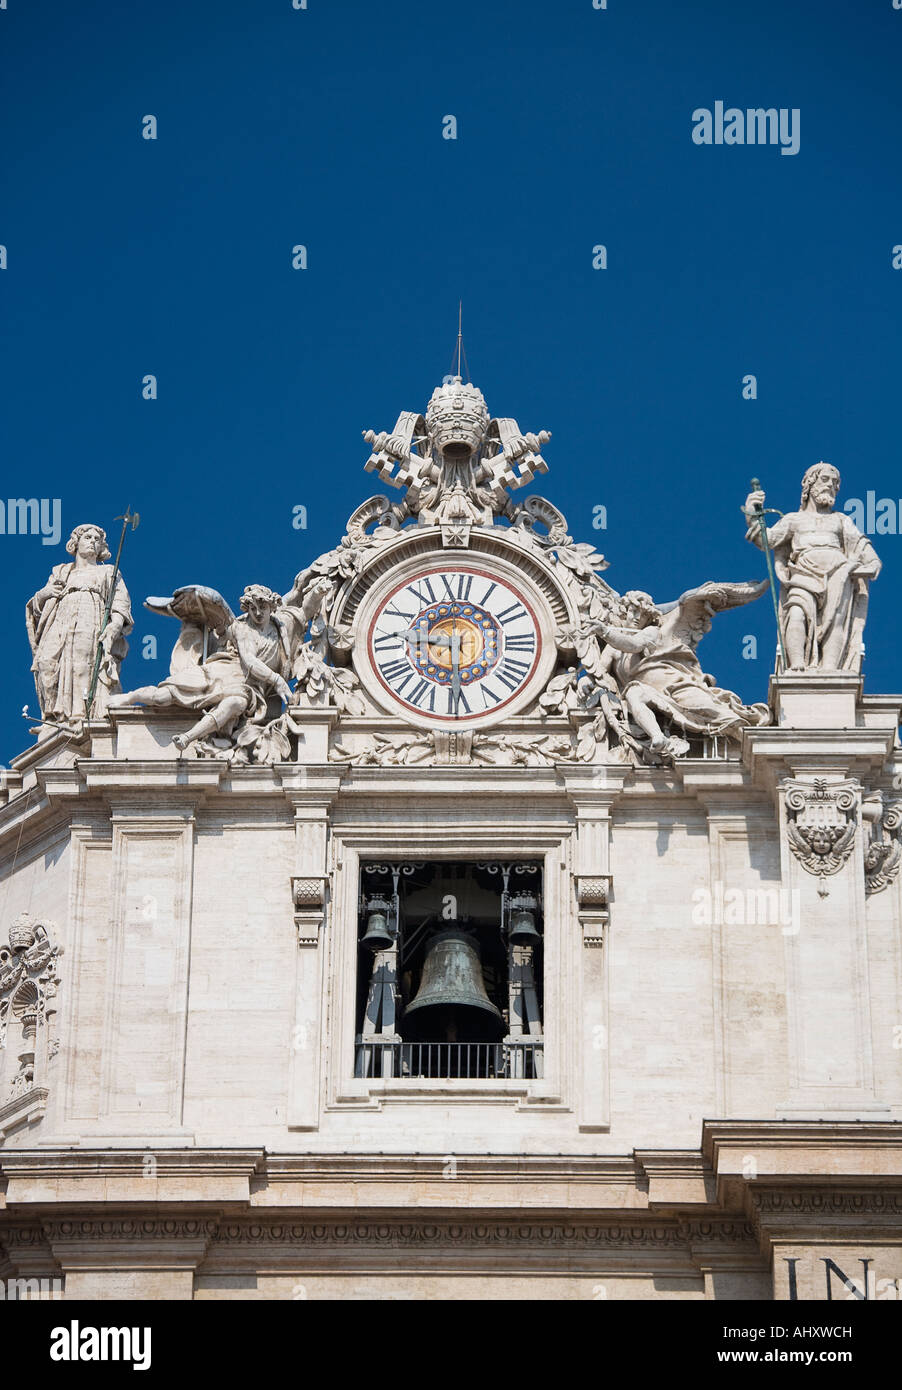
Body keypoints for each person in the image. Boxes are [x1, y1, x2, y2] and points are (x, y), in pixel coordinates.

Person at [109, 584, 298, 751]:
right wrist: (276, 679)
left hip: (247, 686)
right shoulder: (242, 629)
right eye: (253, 608)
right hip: (221, 672)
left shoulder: (280, 626)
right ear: (247, 608)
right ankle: (129, 697)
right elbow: (248, 660)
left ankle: (187, 737)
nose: (257, 613)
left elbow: (299, 597)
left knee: (236, 703)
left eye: (263, 607)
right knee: (162, 696)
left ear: (272, 607)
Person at [743, 464, 881, 672]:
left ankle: (829, 671)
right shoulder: (794, 520)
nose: (831, 486)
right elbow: (767, 540)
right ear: (810, 484)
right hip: (803, 574)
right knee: (796, 612)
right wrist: (752, 513)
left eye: (835, 484)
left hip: (838, 574)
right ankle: (797, 666)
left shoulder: (841, 520)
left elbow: (863, 547)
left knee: (835, 620)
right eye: (825, 480)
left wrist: (869, 563)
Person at [26, 523, 133, 724]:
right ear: (76, 543)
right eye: (88, 537)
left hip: (90, 615)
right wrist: (45, 594)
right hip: (61, 618)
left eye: (97, 539)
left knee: (83, 664)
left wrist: (114, 626)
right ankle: (54, 716)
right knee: (46, 663)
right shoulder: (61, 572)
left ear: (102, 547)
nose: (93, 541)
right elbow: (37, 606)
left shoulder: (109, 571)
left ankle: (79, 716)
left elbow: (120, 602)